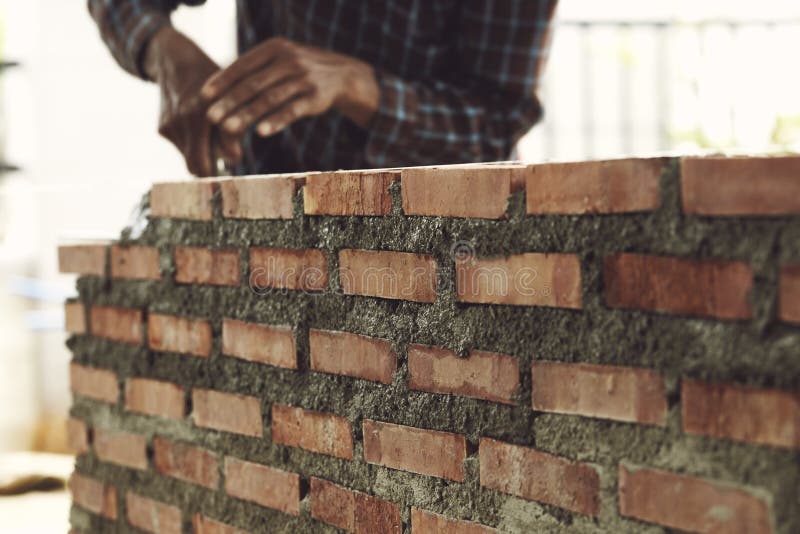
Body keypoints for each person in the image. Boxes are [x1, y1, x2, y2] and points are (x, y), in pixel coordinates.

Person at [89, 1, 558, 176]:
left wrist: (358, 87)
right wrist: (163, 49)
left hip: (442, 253)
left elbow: (494, 125)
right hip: (268, 220)